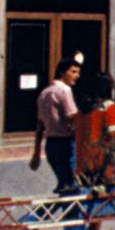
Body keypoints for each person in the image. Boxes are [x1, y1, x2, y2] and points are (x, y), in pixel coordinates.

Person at [69, 72, 115, 230]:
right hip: (101, 160)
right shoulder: (108, 106)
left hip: (82, 159)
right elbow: (113, 131)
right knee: (102, 197)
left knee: (87, 197)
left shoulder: (83, 108)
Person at [30, 57, 82, 194]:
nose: (77, 76)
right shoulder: (64, 90)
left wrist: (36, 153)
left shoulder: (44, 93)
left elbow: (40, 125)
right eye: (73, 72)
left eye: (78, 72)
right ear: (62, 72)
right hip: (65, 144)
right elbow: (72, 117)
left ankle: (65, 214)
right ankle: (72, 215)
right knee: (72, 187)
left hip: (51, 146)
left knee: (64, 186)